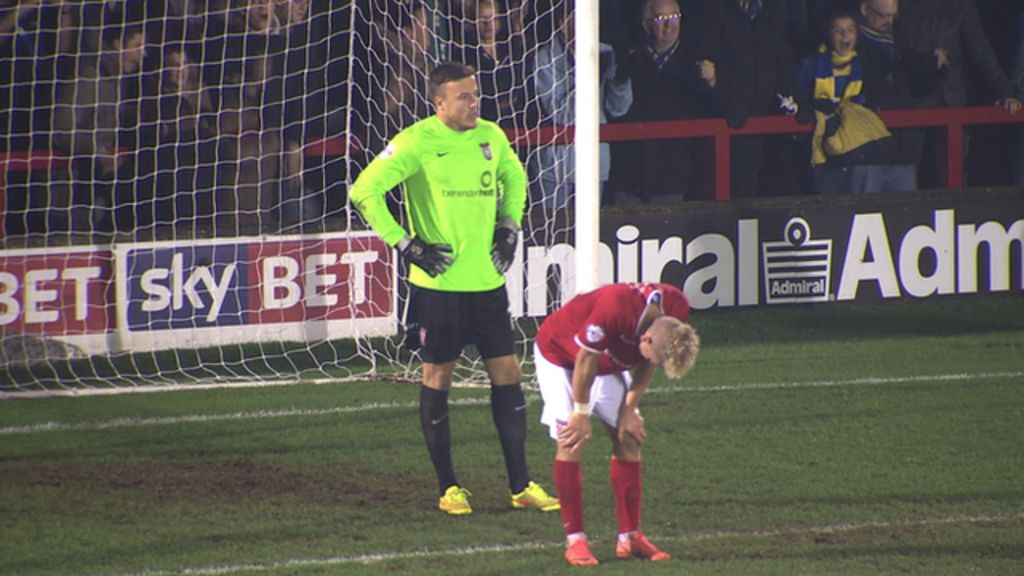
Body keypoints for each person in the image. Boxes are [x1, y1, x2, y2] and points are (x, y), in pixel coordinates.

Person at [348, 61, 559, 516]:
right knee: (437, 377)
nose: (473, 103)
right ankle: (449, 488)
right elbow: (364, 189)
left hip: (486, 284)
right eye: (463, 97)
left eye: (475, 94)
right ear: (438, 102)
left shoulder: (491, 136)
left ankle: (521, 485)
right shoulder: (416, 142)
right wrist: (405, 244)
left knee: (507, 374)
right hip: (438, 287)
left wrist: (509, 224)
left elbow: (514, 176)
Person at [534, 282, 700, 566]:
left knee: (630, 437)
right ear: (644, 340)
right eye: (653, 358)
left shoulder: (674, 311)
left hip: (605, 361)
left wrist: (629, 409)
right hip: (561, 355)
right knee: (573, 439)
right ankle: (575, 541)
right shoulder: (615, 308)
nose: (652, 364)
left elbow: (650, 361)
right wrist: (581, 413)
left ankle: (630, 536)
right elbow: (585, 358)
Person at [530, 0, 633, 210]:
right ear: (561, 23)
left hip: (595, 161)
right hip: (556, 167)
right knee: (556, 235)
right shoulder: (545, 58)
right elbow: (559, 113)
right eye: (575, 18)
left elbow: (618, 108)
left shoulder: (605, 52)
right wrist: (589, 77)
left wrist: (621, 81)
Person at [613, 0, 716, 202]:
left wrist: (711, 82)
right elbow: (615, 110)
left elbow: (712, 112)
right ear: (645, 25)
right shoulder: (627, 58)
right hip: (629, 176)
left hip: (673, 177)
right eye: (661, 19)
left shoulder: (696, 61)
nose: (670, 26)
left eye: (674, 17)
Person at [701, 0, 799, 198]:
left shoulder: (775, 12)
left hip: (770, 127)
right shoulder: (714, 11)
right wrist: (724, 98)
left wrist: (793, 100)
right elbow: (705, 72)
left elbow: (785, 63)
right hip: (726, 125)